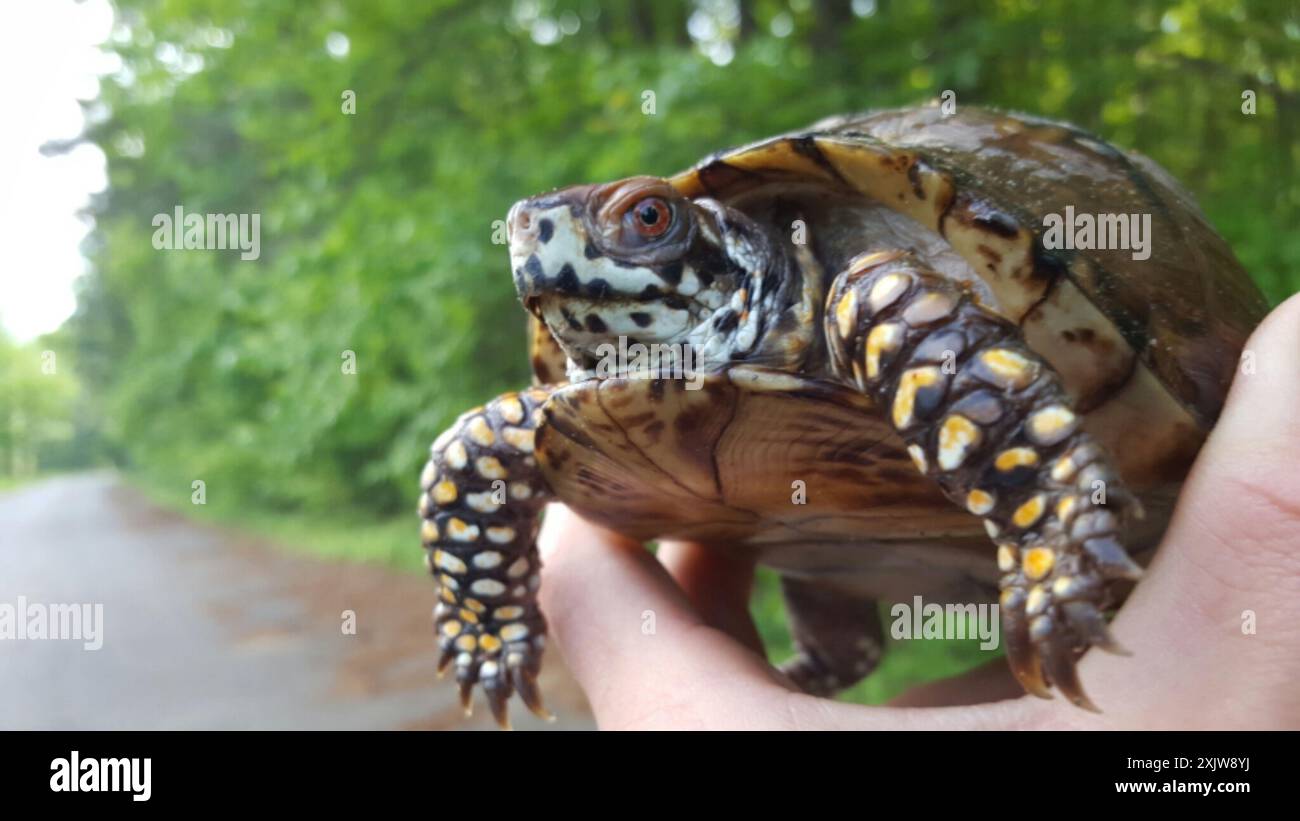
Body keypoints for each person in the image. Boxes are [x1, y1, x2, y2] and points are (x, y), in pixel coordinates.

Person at [537, 295, 1300, 730]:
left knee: (888, 305)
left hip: (1140, 486)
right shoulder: (595, 399)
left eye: (642, 222)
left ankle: (1052, 523)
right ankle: (836, 643)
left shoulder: (872, 295)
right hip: (833, 549)